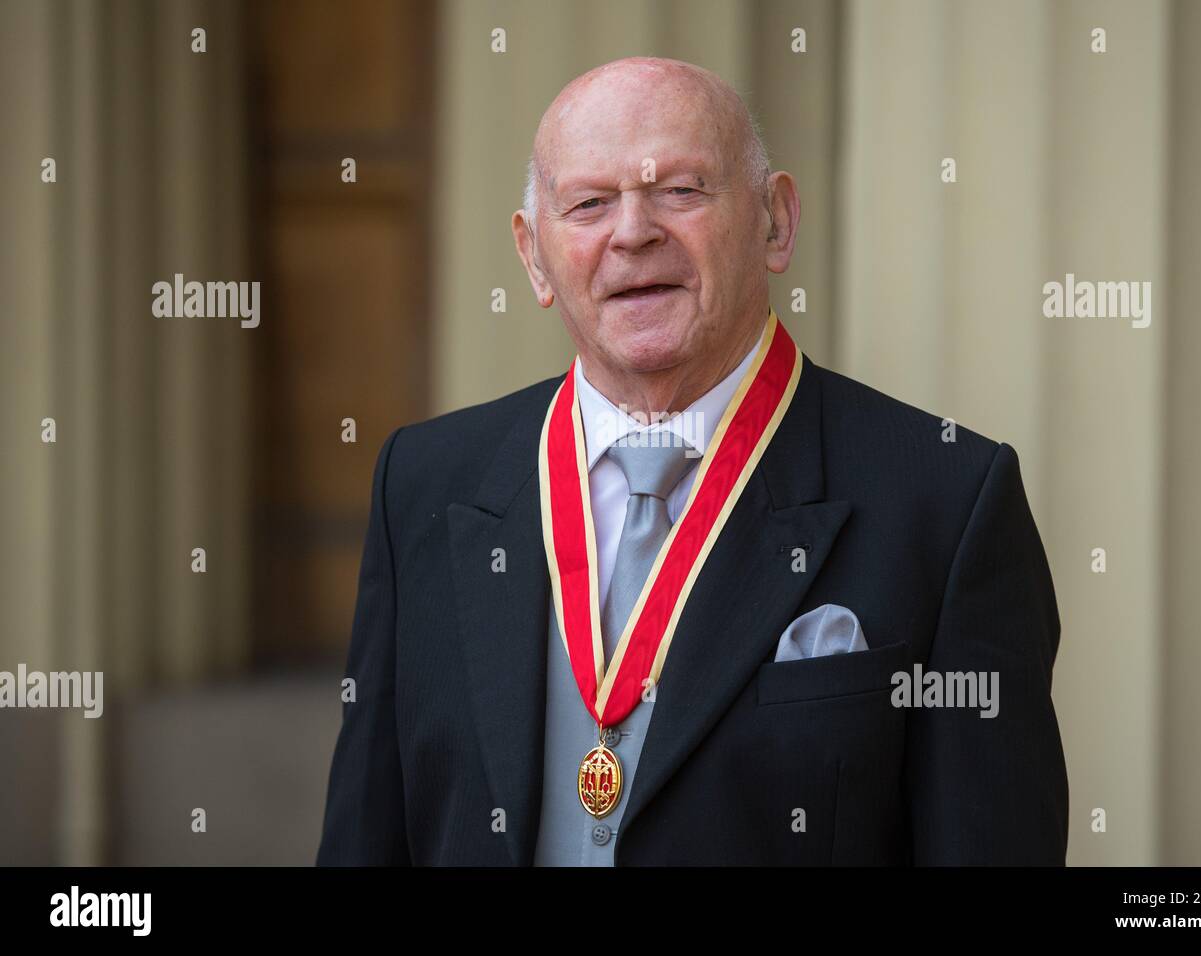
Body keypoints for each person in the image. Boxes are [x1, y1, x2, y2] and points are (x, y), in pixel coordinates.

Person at [316, 56, 1068, 866]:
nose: (632, 232)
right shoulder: (423, 483)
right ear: (535, 258)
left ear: (775, 222)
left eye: (681, 190)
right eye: (589, 203)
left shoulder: (948, 502)